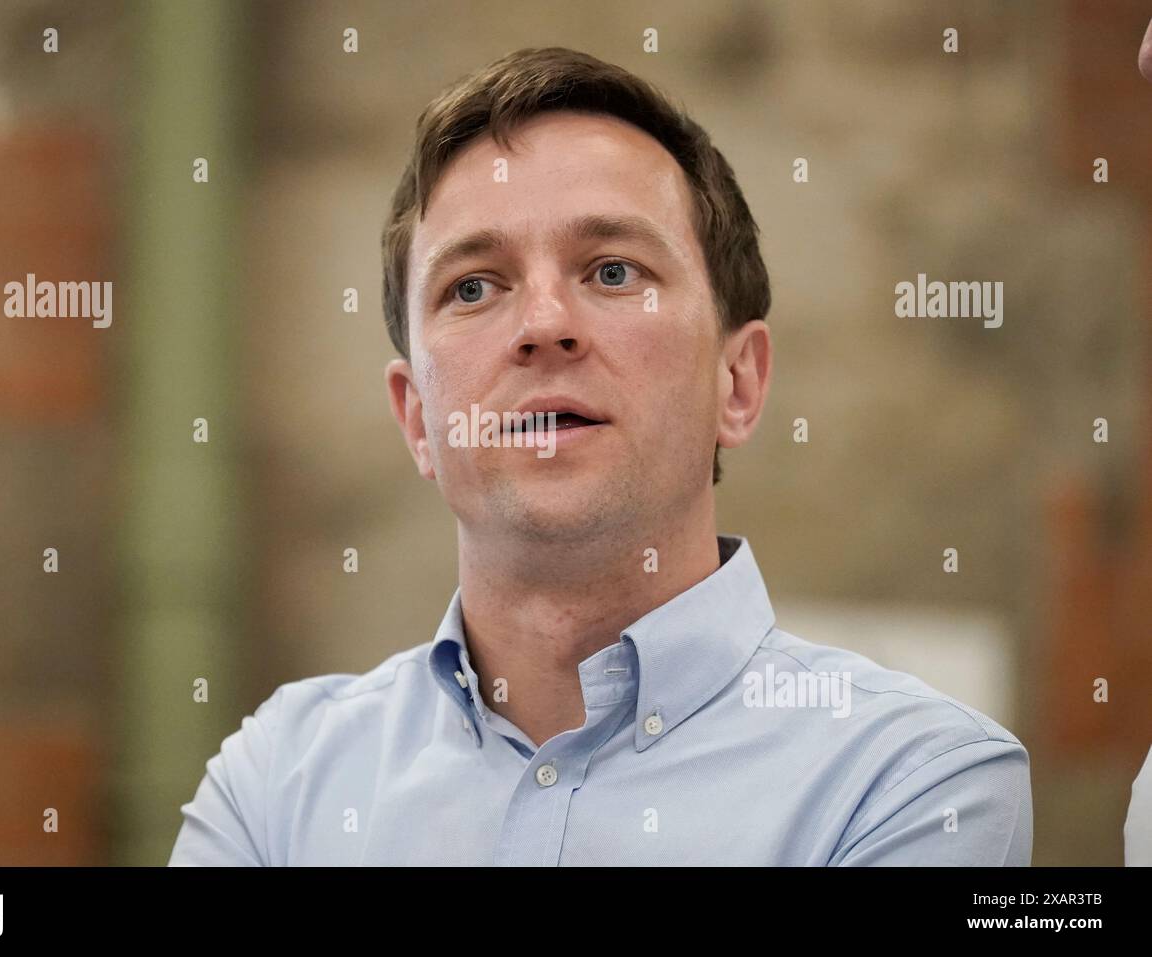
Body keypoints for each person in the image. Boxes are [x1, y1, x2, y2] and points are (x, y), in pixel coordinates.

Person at [169, 47, 1032, 866]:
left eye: (613, 271)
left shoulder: (912, 782)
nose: (544, 324)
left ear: (738, 381)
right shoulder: (278, 780)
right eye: (474, 286)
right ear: (418, 419)